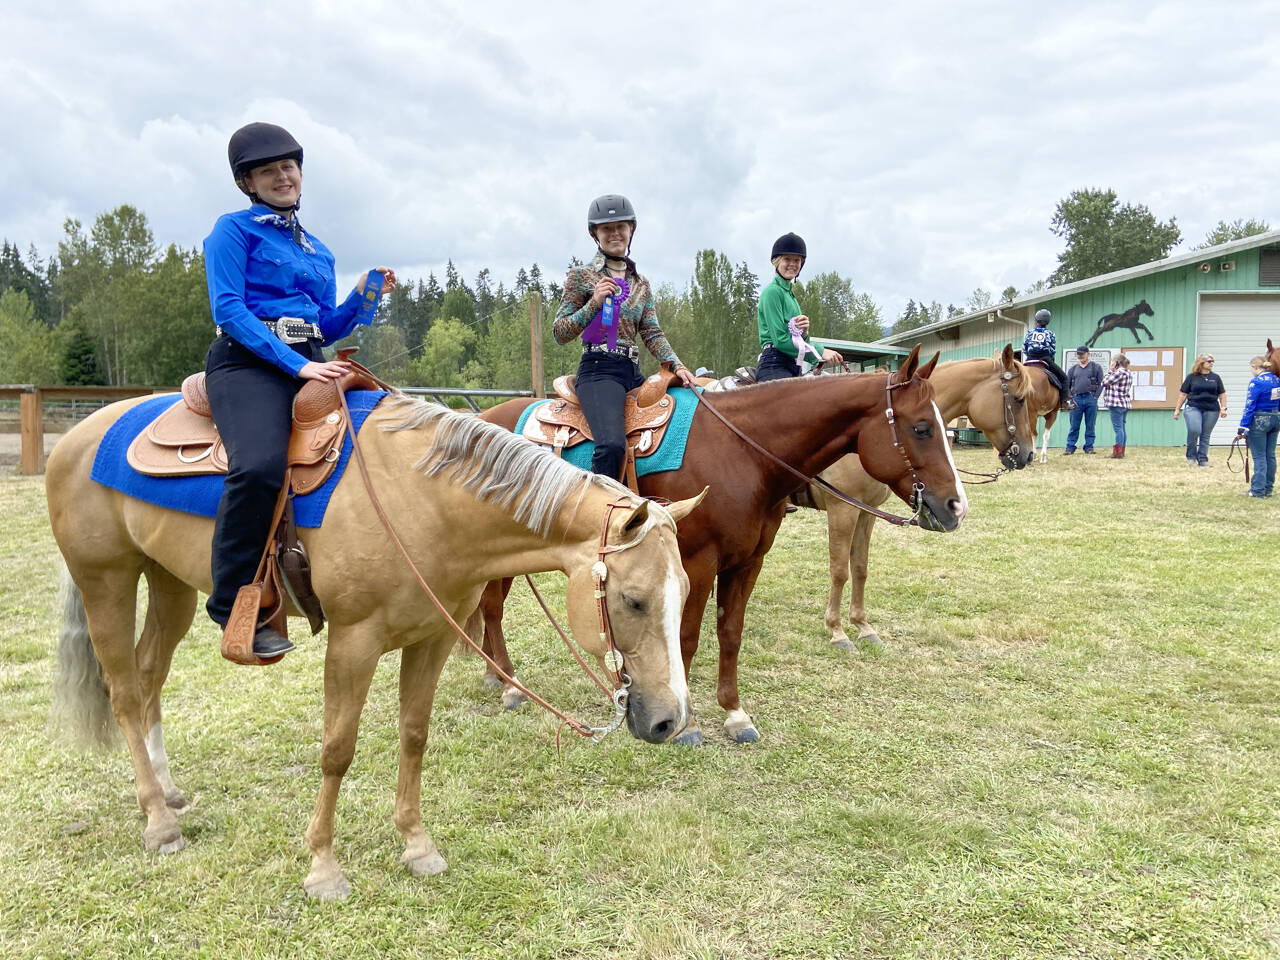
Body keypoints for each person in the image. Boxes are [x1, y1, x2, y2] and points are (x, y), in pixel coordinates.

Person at [203, 122, 396, 659]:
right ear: (248, 182)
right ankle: (232, 605)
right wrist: (297, 365)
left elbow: (326, 327)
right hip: (246, 365)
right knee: (259, 466)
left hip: (308, 362)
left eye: (289, 166)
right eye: (269, 170)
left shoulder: (319, 249)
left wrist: (365, 295)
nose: (283, 176)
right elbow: (229, 309)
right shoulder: (232, 231)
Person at [552, 194, 697, 480]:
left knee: (678, 424)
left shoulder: (640, 283)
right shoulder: (581, 276)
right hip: (598, 371)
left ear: (631, 230)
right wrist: (594, 302)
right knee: (611, 445)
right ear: (596, 234)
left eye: (621, 226)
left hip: (632, 372)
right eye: (607, 228)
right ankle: (598, 513)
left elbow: (652, 333)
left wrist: (677, 365)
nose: (615, 233)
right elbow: (560, 332)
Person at [755, 233, 842, 382]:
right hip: (774, 363)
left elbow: (798, 341)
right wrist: (820, 352)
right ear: (776, 261)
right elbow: (780, 340)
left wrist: (803, 332)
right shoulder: (772, 292)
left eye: (797, 260)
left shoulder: (791, 297)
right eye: (787, 259)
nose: (792, 264)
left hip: (793, 364)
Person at [1236, 355, 1280, 498]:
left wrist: (1243, 426)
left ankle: (1257, 490)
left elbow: (1250, 405)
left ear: (1255, 367)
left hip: (1260, 419)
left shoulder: (1256, 382)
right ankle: (1268, 488)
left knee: (1259, 455)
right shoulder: (1277, 380)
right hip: (1275, 417)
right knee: (1270, 455)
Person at [1173, 354, 1228, 466]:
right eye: (1209, 361)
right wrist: (1177, 409)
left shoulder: (1215, 378)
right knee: (1195, 430)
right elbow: (1183, 394)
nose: (1211, 363)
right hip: (1194, 407)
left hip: (1212, 409)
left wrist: (1223, 408)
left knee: (1205, 434)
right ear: (1201, 363)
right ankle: (1191, 457)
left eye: (1213, 361)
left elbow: (1222, 394)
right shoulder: (1191, 377)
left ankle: (1202, 459)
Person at [1021, 309, 1073, 409]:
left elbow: (1024, 348)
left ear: (1036, 320)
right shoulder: (1050, 333)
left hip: (1029, 359)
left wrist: (1030, 355)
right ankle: (1065, 402)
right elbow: (1052, 350)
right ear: (1048, 321)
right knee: (1065, 378)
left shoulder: (1029, 333)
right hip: (1045, 359)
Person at [1062, 346, 1103, 455]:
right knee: (1074, 425)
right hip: (1076, 399)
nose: (1080, 356)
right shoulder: (1073, 369)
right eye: (1078, 354)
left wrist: (1096, 397)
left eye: (1082, 354)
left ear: (1088, 354)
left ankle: (1089, 447)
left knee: (1090, 425)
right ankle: (1070, 447)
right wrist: (1071, 397)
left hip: (1091, 398)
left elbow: (1101, 383)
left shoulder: (1096, 367)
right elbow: (1067, 385)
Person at [1099, 353, 1133, 458]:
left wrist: (1110, 370)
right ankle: (1122, 450)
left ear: (1117, 363)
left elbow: (1104, 382)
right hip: (1125, 403)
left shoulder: (1118, 373)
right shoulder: (1128, 372)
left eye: (1112, 362)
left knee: (1118, 428)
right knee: (1122, 427)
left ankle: (1117, 452)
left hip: (1115, 403)